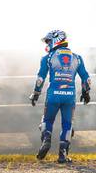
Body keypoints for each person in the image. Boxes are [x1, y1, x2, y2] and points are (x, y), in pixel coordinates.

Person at [31, 29, 90, 164]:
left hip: (53, 94)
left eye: (48, 41)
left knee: (47, 120)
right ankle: (63, 155)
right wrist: (86, 92)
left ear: (56, 40)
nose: (47, 44)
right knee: (67, 125)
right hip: (70, 95)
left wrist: (35, 93)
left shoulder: (48, 58)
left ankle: (46, 140)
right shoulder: (77, 58)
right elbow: (86, 78)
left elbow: (40, 78)